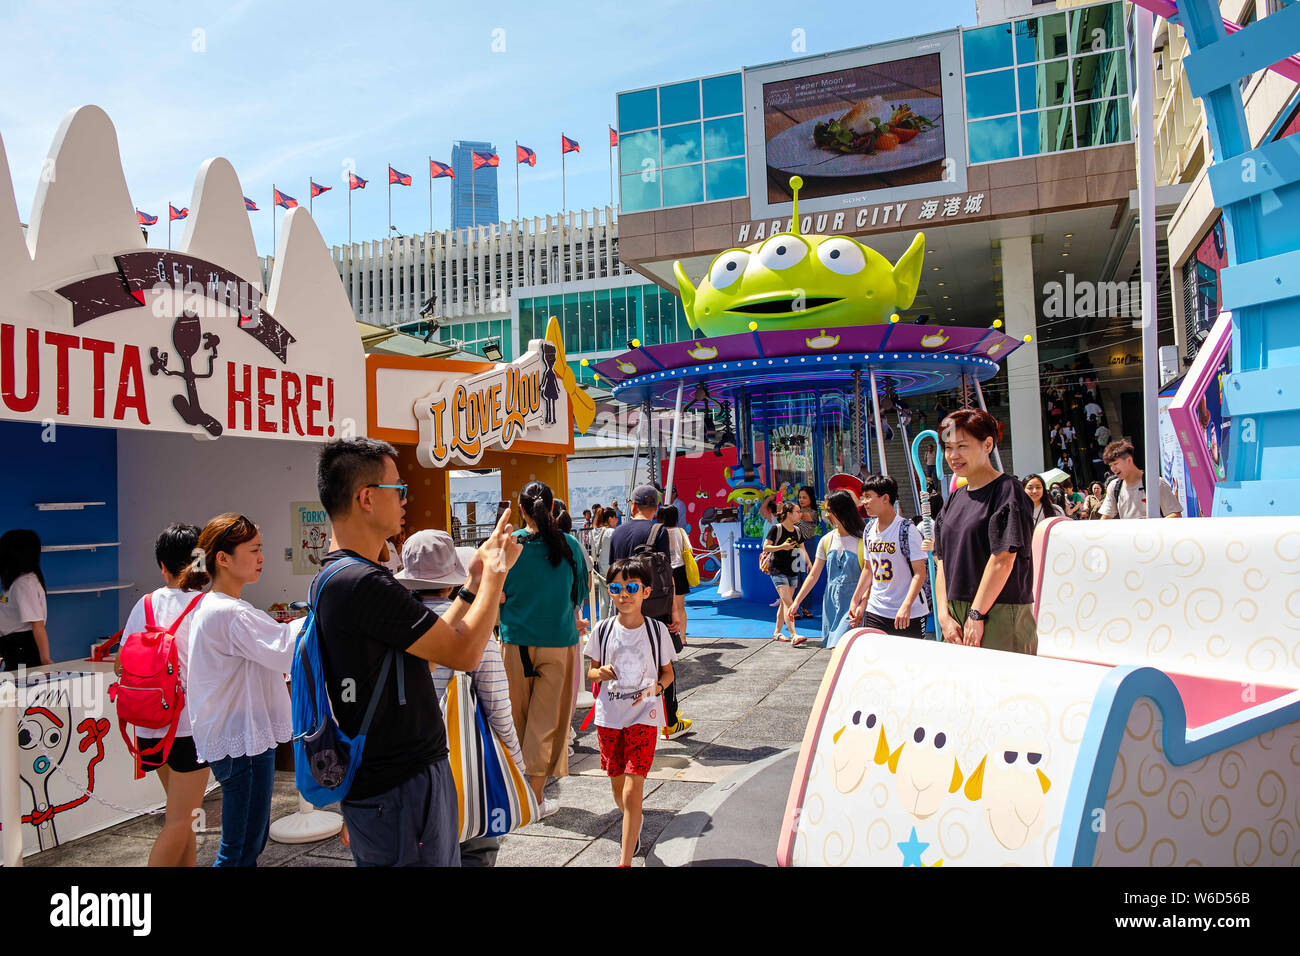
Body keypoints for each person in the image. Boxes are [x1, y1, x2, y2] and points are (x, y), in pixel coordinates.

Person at [312, 438, 520, 867]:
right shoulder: (365, 583)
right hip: (402, 785)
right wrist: (495, 578)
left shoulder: (337, 575)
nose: (405, 498)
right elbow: (461, 654)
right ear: (366, 498)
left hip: (388, 781)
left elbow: (425, 655)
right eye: (398, 488)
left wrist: (469, 588)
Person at [182, 513, 306, 867]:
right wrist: (318, 613)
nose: (261, 558)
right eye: (254, 550)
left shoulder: (220, 608)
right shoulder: (230, 612)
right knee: (240, 846)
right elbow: (284, 648)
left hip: (241, 735)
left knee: (247, 841)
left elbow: (276, 647)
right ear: (223, 558)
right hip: (241, 739)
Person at [395, 529, 522, 868]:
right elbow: (497, 705)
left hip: (408, 767)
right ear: (451, 581)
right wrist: (516, 764)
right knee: (475, 853)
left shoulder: (395, 629)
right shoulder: (473, 626)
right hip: (467, 764)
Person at [118, 523, 209, 867]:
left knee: (182, 817)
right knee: (179, 821)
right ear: (200, 560)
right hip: (189, 727)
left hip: (149, 726)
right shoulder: (205, 605)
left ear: (162, 566)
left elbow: (120, 664)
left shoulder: (145, 603)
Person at [500, 480, 588, 817]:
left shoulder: (509, 545)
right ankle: (532, 799)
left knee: (511, 720)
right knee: (545, 723)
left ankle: (510, 792)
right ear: (552, 509)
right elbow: (578, 594)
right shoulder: (568, 545)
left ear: (521, 509)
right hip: (558, 643)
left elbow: (492, 588)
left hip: (514, 642)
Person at [584, 556, 676, 867]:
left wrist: (656, 690)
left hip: (644, 715)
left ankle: (624, 861)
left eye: (631, 587)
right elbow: (591, 673)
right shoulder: (602, 629)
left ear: (646, 592)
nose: (624, 594)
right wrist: (602, 673)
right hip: (608, 716)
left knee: (634, 785)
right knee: (617, 784)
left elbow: (668, 673)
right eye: (616, 588)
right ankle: (631, 828)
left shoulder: (656, 630)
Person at [931, 408, 1037, 655]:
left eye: (962, 446)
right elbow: (941, 563)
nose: (953, 455)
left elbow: (1003, 559)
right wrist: (944, 616)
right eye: (947, 448)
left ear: (987, 444)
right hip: (955, 616)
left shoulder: (1008, 492)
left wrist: (976, 614)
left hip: (998, 611)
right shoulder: (955, 497)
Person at [609, 485, 691, 740]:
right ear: (656, 508)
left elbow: (612, 574)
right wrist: (674, 612)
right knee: (663, 664)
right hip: (656, 609)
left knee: (628, 663)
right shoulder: (659, 532)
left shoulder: (618, 533)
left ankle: (626, 719)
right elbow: (667, 574)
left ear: (632, 506)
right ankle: (669, 721)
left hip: (626, 609)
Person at [847, 475, 929, 639]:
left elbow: (920, 573)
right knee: (876, 661)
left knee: (906, 662)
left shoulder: (907, 529)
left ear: (885, 498)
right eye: (863, 497)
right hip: (876, 609)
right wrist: (856, 599)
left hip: (908, 613)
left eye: (869, 497)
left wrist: (906, 605)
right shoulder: (869, 530)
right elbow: (868, 569)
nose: (864, 502)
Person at [788, 490, 866, 648]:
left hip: (854, 604)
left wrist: (863, 603)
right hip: (831, 603)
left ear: (841, 511)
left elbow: (869, 577)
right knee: (833, 648)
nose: (826, 515)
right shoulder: (826, 540)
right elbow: (813, 575)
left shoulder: (862, 540)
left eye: (829, 510)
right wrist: (797, 602)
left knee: (846, 645)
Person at [0, 529, 51, 669]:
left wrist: (45, 659)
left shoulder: (25, 584)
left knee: (22, 687)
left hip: (21, 648)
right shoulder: (16, 582)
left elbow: (37, 624)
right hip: (12, 646)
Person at [1098, 439, 1182, 519]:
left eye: (1115, 464)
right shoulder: (1113, 487)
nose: (1113, 469)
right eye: (1110, 465)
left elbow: (1176, 515)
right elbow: (1106, 517)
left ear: (1129, 460)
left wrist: (1149, 527)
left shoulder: (1155, 483)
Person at [764, 501, 811, 643]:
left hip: (792, 569)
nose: (800, 514)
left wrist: (809, 563)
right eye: (797, 511)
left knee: (785, 604)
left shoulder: (797, 530)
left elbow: (802, 548)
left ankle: (777, 633)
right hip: (777, 569)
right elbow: (766, 547)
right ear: (789, 514)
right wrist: (781, 547)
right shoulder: (776, 529)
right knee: (789, 603)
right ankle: (794, 634)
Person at [659, 505, 690, 645]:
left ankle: (668, 638)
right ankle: (683, 638)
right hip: (680, 570)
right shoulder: (681, 531)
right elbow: (688, 549)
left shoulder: (660, 532)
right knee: (680, 607)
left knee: (665, 607)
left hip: (664, 571)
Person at [793, 486, 820, 619]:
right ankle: (795, 607)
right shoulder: (795, 511)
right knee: (794, 578)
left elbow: (801, 516)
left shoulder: (813, 513)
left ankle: (806, 607)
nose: (801, 500)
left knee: (807, 577)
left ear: (810, 499)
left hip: (808, 546)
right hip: (793, 546)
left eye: (804, 497)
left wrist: (788, 510)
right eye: (800, 497)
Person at [591, 507, 619, 619]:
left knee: (603, 600)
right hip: (612, 570)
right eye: (615, 517)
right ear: (610, 518)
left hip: (601, 570)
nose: (617, 520)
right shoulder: (611, 532)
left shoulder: (595, 531)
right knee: (615, 600)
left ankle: (603, 624)